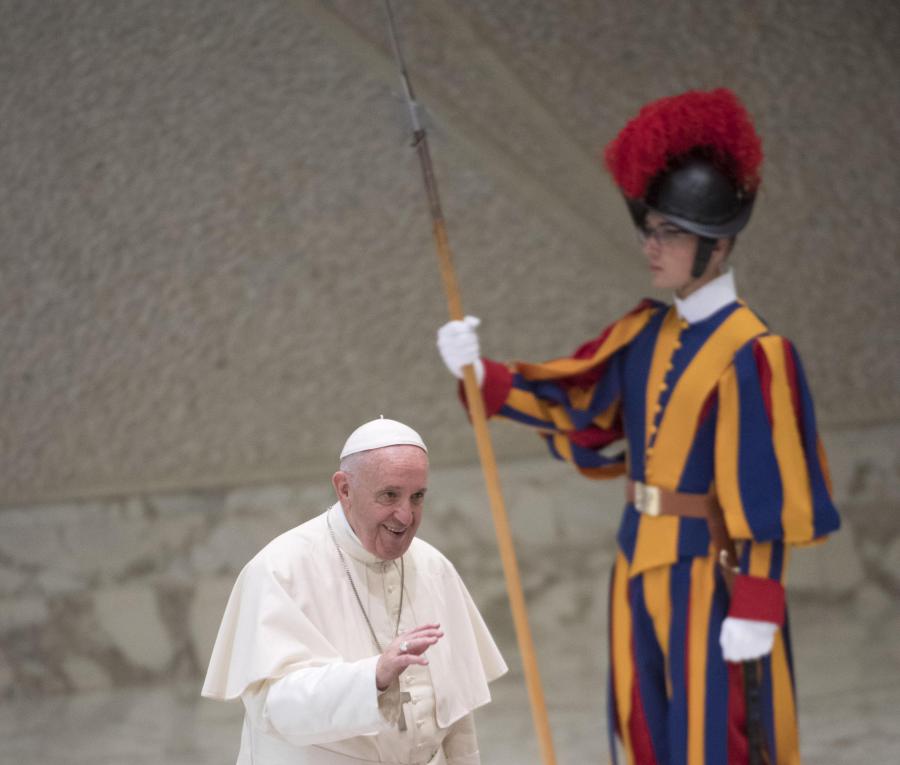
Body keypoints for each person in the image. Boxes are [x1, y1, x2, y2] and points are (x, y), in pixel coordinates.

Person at [436, 89, 840, 764]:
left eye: (671, 233)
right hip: (638, 559)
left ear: (718, 243)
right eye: (650, 228)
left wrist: (759, 597)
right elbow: (584, 413)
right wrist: (484, 378)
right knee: (645, 728)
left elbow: (768, 491)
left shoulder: (754, 351)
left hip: (711, 570)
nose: (653, 246)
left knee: (719, 734)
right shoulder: (644, 333)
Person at [202, 417, 507, 765]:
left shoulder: (433, 567)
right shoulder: (279, 569)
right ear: (345, 489)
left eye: (417, 497)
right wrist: (372, 678)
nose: (406, 516)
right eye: (390, 495)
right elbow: (274, 708)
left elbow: (457, 715)